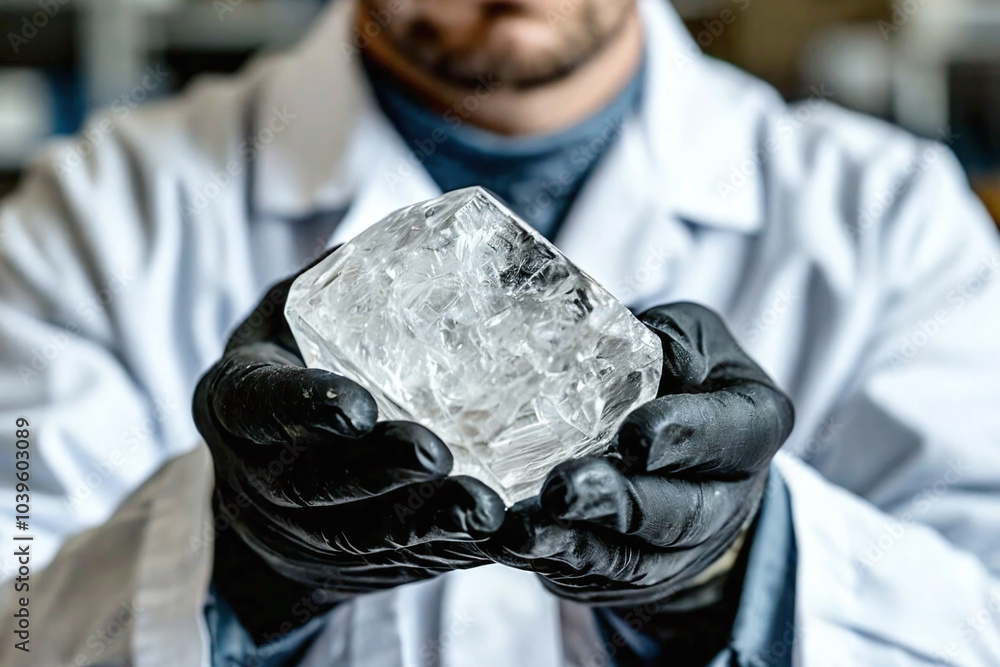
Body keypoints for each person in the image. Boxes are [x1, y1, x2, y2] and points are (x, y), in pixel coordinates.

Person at [1, 0, 999, 664]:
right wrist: (231, 558)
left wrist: (742, 565)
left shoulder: (892, 216)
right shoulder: (90, 211)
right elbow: (15, 612)